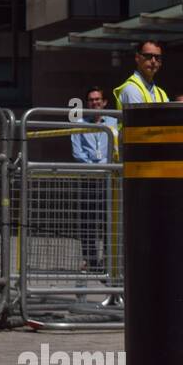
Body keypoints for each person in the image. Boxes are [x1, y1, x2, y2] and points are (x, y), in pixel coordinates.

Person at [70, 87, 117, 273]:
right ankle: (89, 260)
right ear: (87, 104)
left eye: (98, 99)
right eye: (91, 100)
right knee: (88, 221)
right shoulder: (79, 124)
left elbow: (117, 148)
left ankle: (107, 260)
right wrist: (95, 167)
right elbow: (77, 152)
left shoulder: (113, 122)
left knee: (108, 221)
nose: (95, 103)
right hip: (89, 178)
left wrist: (106, 167)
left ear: (104, 102)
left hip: (108, 178)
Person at [113, 41, 169, 108]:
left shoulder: (161, 93)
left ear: (161, 62)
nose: (153, 61)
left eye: (157, 57)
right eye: (148, 56)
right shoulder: (131, 89)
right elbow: (139, 118)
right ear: (137, 58)